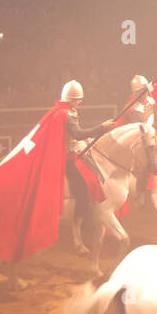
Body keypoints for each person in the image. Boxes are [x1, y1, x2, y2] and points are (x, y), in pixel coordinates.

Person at [61, 80, 115, 219]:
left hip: (74, 152)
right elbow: (78, 134)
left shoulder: (71, 111)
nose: (80, 102)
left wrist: (87, 141)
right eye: (78, 100)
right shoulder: (66, 115)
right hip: (67, 158)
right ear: (71, 99)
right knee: (83, 187)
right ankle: (83, 218)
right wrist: (101, 128)